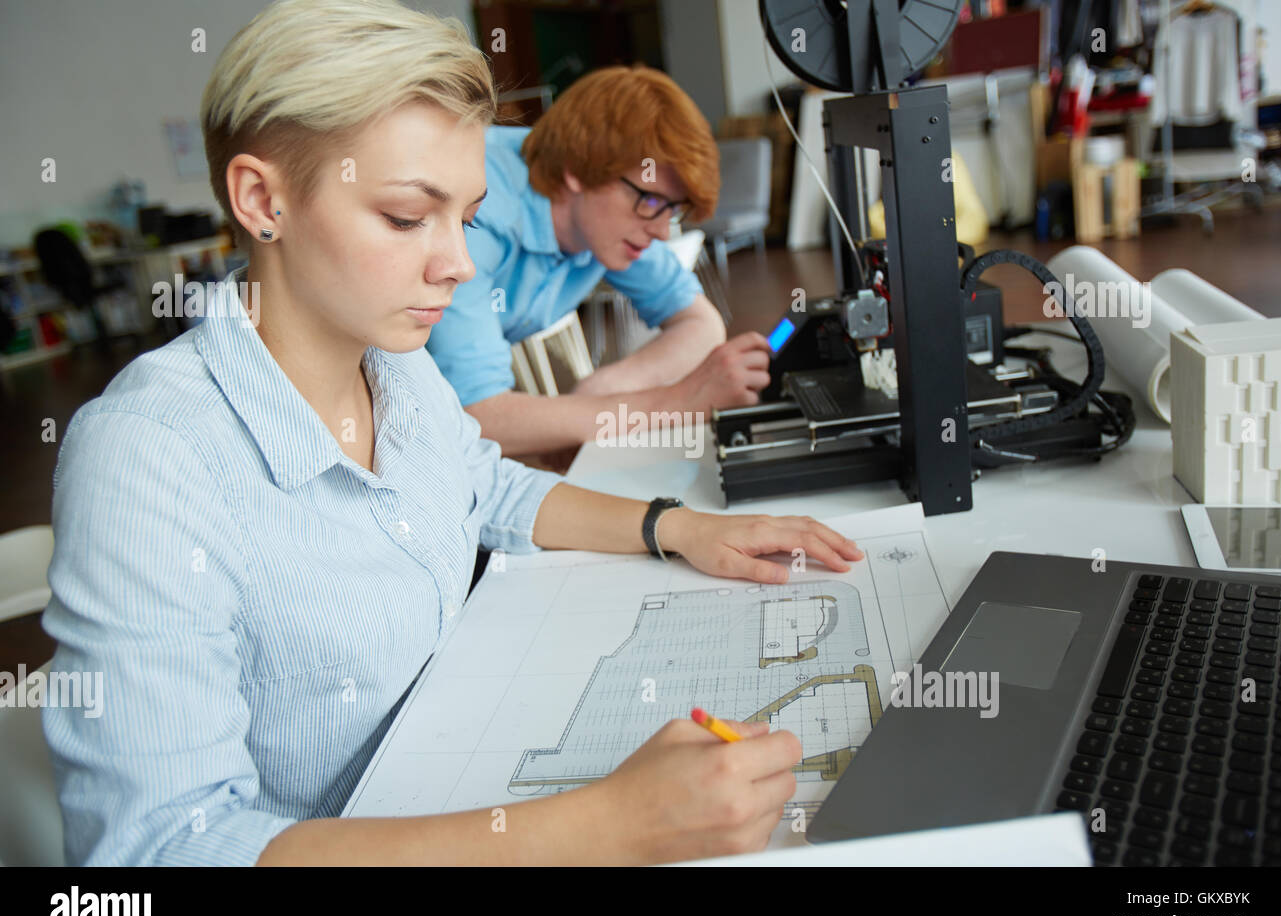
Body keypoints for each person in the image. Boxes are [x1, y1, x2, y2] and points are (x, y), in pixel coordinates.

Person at [40, 0, 863, 866]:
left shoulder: (394, 364)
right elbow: (160, 852)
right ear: (261, 200)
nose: (459, 264)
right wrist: (604, 829)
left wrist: (680, 527)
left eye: (465, 218)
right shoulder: (146, 458)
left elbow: (483, 485)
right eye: (406, 217)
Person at [424, 65, 773, 458]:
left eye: (672, 209)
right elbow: (482, 417)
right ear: (577, 170)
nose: (661, 232)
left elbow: (701, 324)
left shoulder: (609, 214)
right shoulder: (475, 209)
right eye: (653, 201)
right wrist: (677, 402)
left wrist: (601, 391)